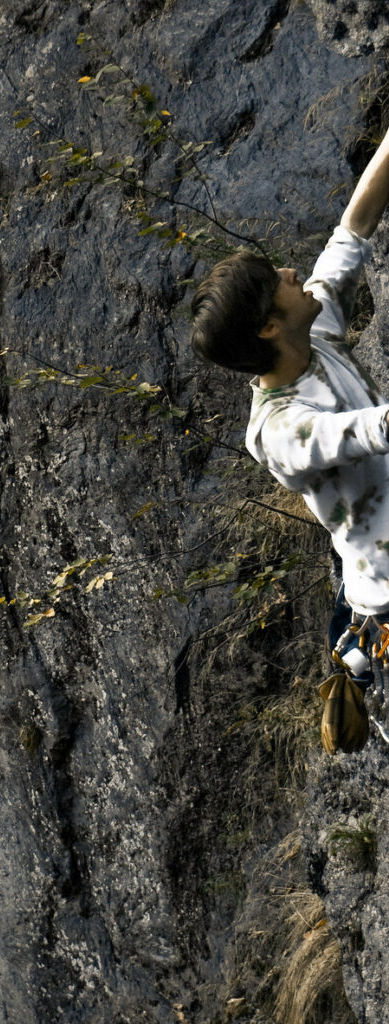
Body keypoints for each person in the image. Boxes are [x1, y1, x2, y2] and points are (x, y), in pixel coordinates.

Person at [190, 127, 389, 752]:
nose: (290, 270)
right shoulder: (277, 431)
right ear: (270, 327)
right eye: (277, 280)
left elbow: (353, 230)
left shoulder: (312, 333)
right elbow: (363, 431)